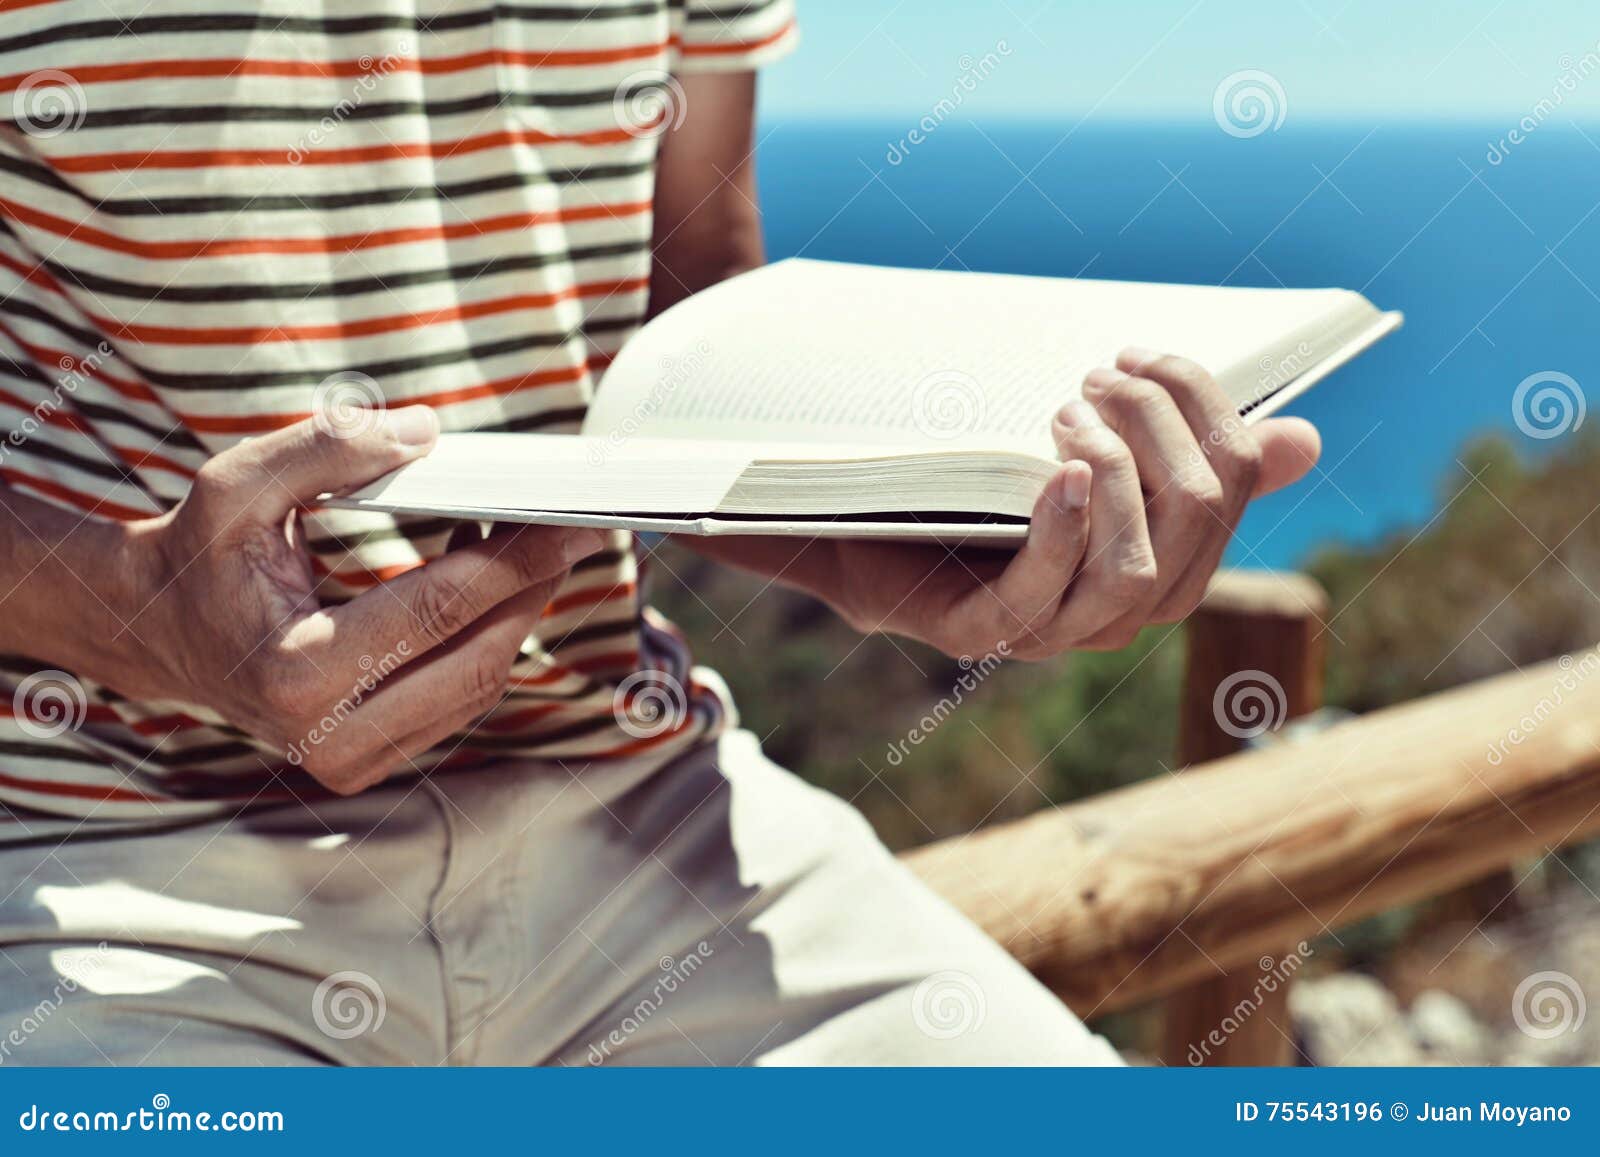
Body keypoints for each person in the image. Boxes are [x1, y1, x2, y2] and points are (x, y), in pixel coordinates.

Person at [0, 1, 1320, 1065]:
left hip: (651, 821)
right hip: (105, 859)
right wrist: (132, 601)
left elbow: (688, 297)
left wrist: (895, 541)